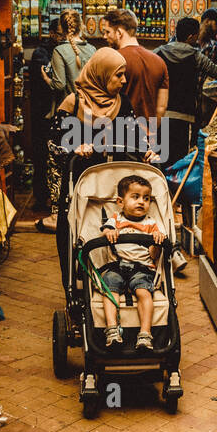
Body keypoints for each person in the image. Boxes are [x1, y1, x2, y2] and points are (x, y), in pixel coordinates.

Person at [48, 48, 132, 272]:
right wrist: (75, 147)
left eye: (123, 74)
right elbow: (55, 143)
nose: (124, 80)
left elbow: (135, 138)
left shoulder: (122, 103)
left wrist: (147, 152)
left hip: (112, 183)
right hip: (79, 181)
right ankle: (72, 285)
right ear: (101, 73)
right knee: (73, 232)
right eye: (119, 75)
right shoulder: (72, 103)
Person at [155, 17, 217, 165]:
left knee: (161, 157)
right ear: (191, 37)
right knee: (180, 160)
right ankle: (177, 186)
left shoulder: (159, 52)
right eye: (197, 34)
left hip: (161, 115)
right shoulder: (195, 56)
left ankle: (163, 186)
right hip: (186, 117)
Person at [96, 174, 166, 351]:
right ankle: (112, 329)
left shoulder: (152, 224)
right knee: (110, 290)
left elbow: (154, 255)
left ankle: (145, 334)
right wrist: (109, 233)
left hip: (142, 269)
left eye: (146, 198)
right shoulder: (116, 219)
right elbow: (106, 231)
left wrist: (156, 242)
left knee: (144, 293)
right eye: (135, 197)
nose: (141, 202)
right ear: (121, 202)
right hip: (117, 266)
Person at [100, 8, 167, 163]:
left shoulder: (113, 61)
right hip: (149, 144)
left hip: (119, 142)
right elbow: (161, 108)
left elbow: (105, 104)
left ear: (119, 33)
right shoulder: (159, 61)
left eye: (107, 32)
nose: (104, 36)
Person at [28, 27, 61, 221]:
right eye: (59, 35)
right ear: (53, 34)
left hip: (55, 113)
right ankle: (41, 198)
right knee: (41, 156)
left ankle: (54, 198)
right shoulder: (41, 53)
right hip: (42, 113)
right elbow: (52, 79)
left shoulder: (58, 53)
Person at [46, 9, 96, 102]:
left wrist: (46, 78)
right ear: (81, 26)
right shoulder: (92, 49)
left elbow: (59, 85)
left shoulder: (59, 51)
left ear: (61, 27)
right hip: (90, 106)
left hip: (69, 108)